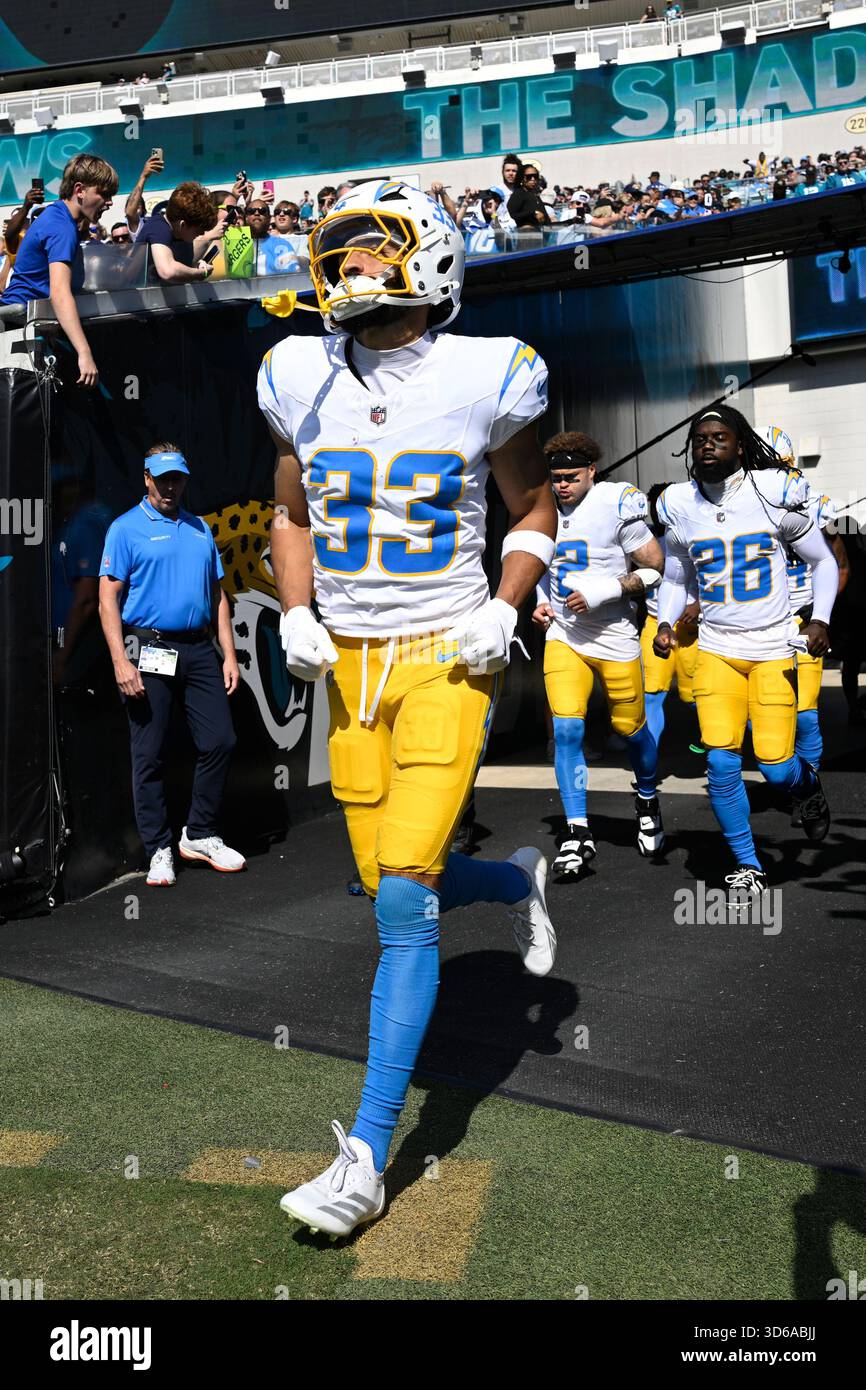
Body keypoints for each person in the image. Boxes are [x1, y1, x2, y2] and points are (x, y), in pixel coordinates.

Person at [257, 178, 559, 1237]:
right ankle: (514, 881)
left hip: (445, 656)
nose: (349, 272)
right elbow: (291, 513)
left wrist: (504, 605)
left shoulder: (489, 372)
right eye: (339, 255)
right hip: (349, 661)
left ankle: (366, 1153)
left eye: (370, 254)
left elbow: (530, 508)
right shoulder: (296, 372)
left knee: (399, 902)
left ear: (428, 262)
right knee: (377, 873)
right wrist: (294, 609)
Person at [653, 405, 839, 898]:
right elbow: (675, 575)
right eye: (699, 439)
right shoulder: (677, 503)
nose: (707, 445)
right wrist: (666, 621)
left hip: (774, 646)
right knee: (720, 761)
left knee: (777, 764)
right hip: (716, 648)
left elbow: (823, 562)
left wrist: (820, 617)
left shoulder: (773, 492)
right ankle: (747, 862)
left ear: (739, 445)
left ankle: (806, 786)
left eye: (719, 437)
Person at [98, 444, 245, 887]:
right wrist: (121, 660)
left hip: (199, 650)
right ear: (146, 478)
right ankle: (158, 848)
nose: (169, 486)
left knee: (221, 739)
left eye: (176, 478)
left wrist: (230, 653)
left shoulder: (200, 529)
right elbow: (108, 599)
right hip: (149, 648)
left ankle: (198, 834)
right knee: (149, 753)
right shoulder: (125, 528)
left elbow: (217, 596)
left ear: (184, 479)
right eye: (161, 478)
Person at [531, 433, 665, 877]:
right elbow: (539, 562)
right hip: (565, 636)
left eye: (571, 477)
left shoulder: (615, 502)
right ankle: (577, 829)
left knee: (630, 727)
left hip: (615, 636)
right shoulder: (541, 506)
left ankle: (646, 794)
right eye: (557, 478)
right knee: (567, 729)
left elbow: (654, 567)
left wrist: (606, 589)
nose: (563, 486)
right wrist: (540, 600)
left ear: (592, 470)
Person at [760, 426, 848, 794]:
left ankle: (808, 785)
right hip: (761, 621)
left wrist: (819, 615)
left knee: (806, 710)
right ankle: (791, 769)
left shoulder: (814, 504)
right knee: (760, 711)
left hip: (801, 617)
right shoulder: (738, 503)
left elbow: (839, 564)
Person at [1, 154, 119, 389]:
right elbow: (59, 293)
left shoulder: (58, 216)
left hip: (24, 325)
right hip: (16, 330)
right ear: (79, 190)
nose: (109, 202)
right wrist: (84, 352)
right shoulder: (61, 227)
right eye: (104, 194)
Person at [640, 483, 700, 750]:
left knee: (697, 696)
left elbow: (719, 580)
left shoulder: (698, 535)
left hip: (692, 628)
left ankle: (723, 746)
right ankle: (648, 762)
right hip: (655, 622)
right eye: (655, 506)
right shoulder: (642, 543)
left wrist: (698, 605)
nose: (660, 512)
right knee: (651, 694)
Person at [135, 182, 218, 285]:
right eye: (198, 230)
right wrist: (200, 273)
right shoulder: (158, 228)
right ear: (182, 225)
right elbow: (168, 272)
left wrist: (197, 266)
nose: (201, 233)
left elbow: (181, 267)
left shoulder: (182, 233)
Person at [124, 152, 165, 236]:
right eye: (135, 203)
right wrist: (143, 176)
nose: (137, 205)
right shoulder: (136, 226)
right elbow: (130, 213)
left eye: (140, 204)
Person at [507, 162, 551, 230]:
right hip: (527, 236)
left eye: (535, 176)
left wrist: (571, 221)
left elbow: (547, 222)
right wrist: (533, 213)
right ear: (522, 177)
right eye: (529, 177)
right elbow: (513, 214)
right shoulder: (519, 193)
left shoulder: (534, 194)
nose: (533, 179)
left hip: (543, 236)